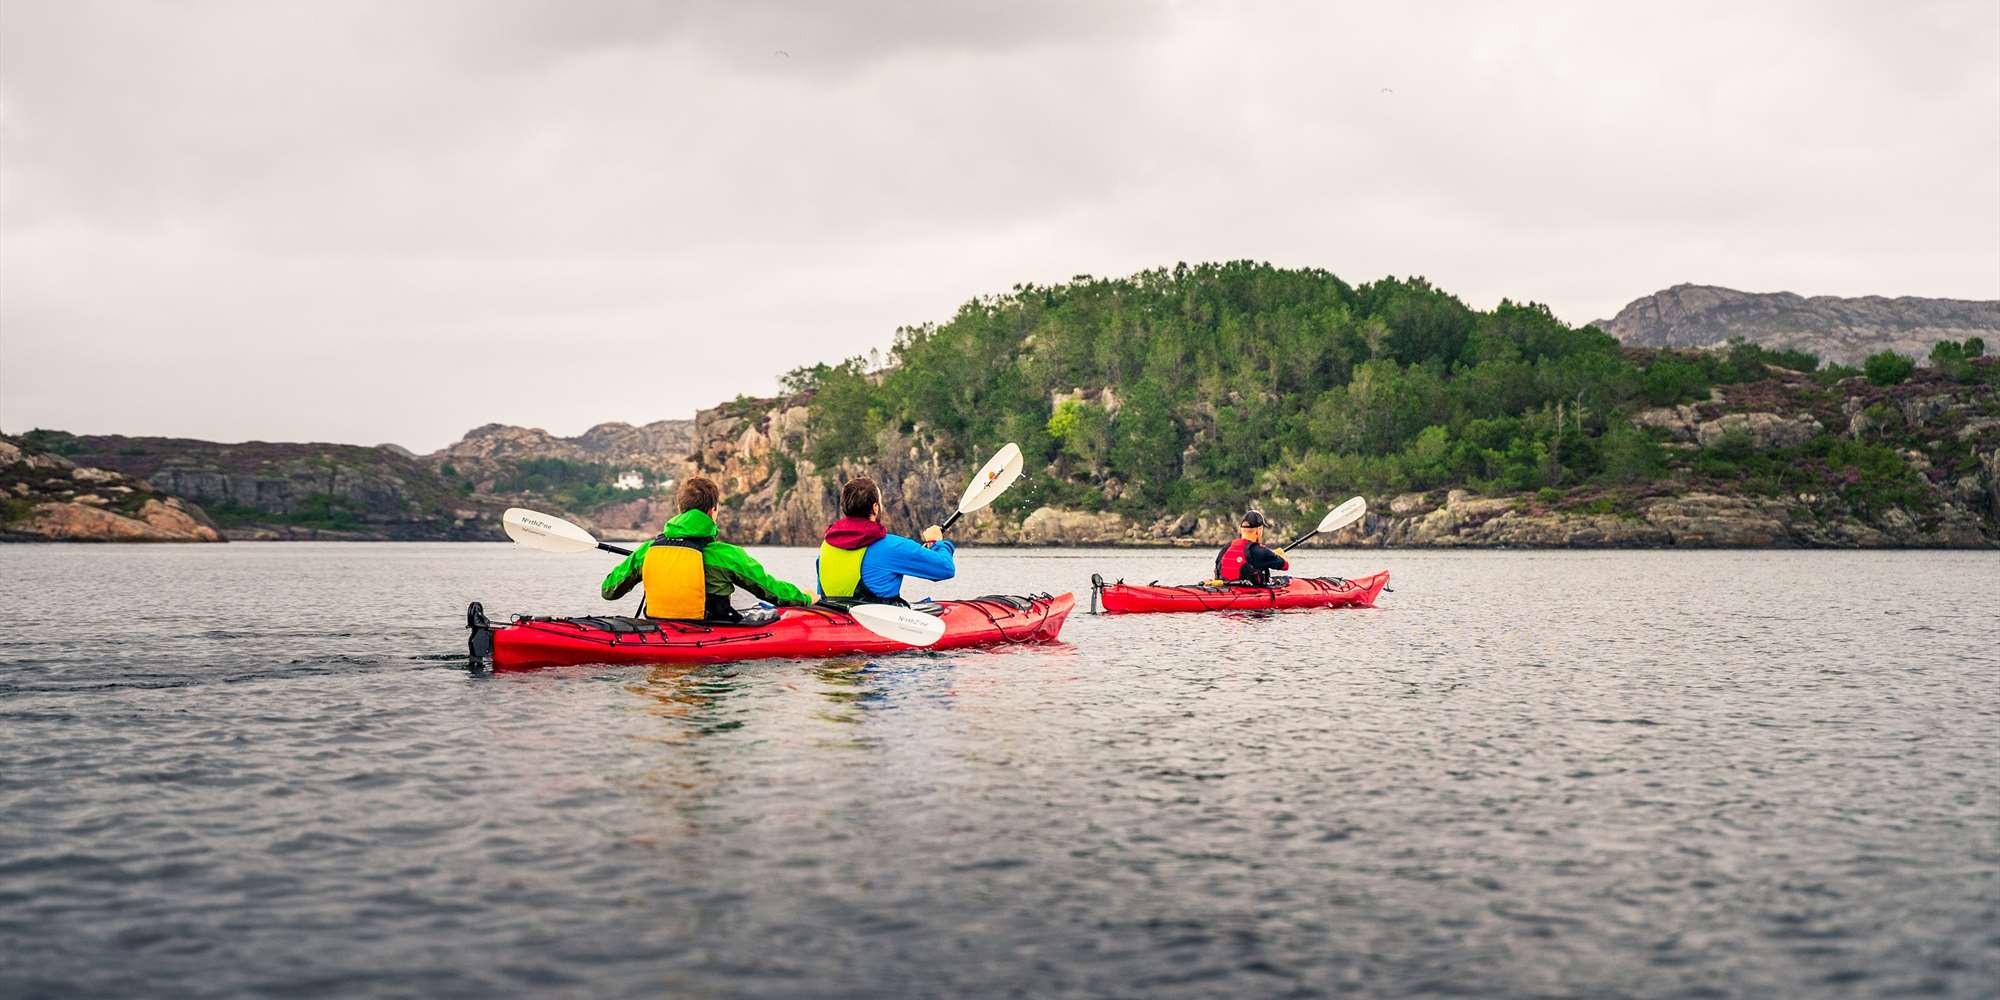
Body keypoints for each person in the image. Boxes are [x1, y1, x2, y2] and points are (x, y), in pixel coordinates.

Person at [602, 476, 814, 621]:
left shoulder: (647, 551)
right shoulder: (724, 555)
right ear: (713, 511)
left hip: (661, 633)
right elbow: (771, 591)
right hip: (711, 636)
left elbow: (608, 591)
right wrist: (805, 598)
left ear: (679, 509)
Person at [816, 476, 955, 605]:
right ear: (875, 508)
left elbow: (820, 594)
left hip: (837, 622)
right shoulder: (892, 547)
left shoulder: (826, 547)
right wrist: (937, 542)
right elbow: (945, 569)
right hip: (877, 625)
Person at [1214, 510, 1289, 586]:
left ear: (1241, 530)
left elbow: (1217, 570)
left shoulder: (1226, 547)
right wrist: (1279, 555)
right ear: (1258, 530)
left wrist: (1271, 555)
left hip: (1224, 589)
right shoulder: (1261, 552)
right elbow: (1285, 565)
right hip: (1249, 593)